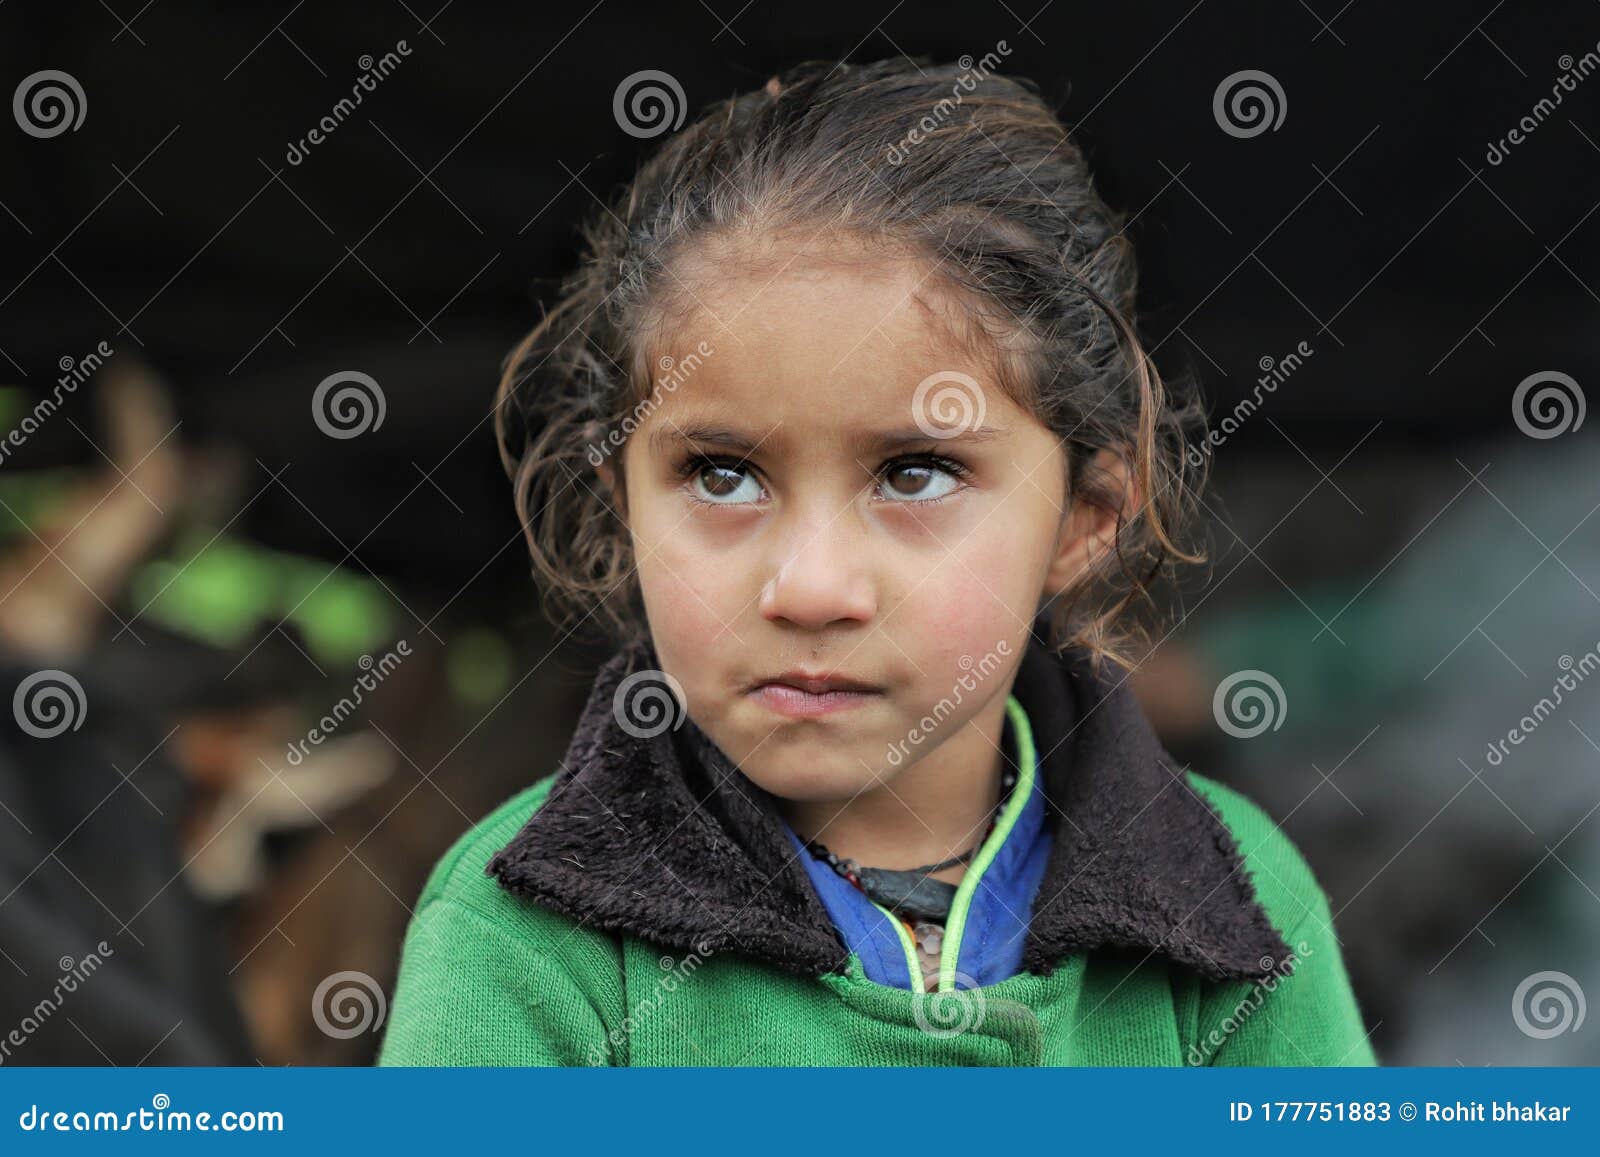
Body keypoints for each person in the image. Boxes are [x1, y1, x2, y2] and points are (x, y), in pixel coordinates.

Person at [376, 58, 1376, 1066]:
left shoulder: (1235, 906)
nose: (810, 586)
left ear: (1087, 516)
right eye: (721, 474)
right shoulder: (522, 931)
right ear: (621, 504)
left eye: (915, 472)